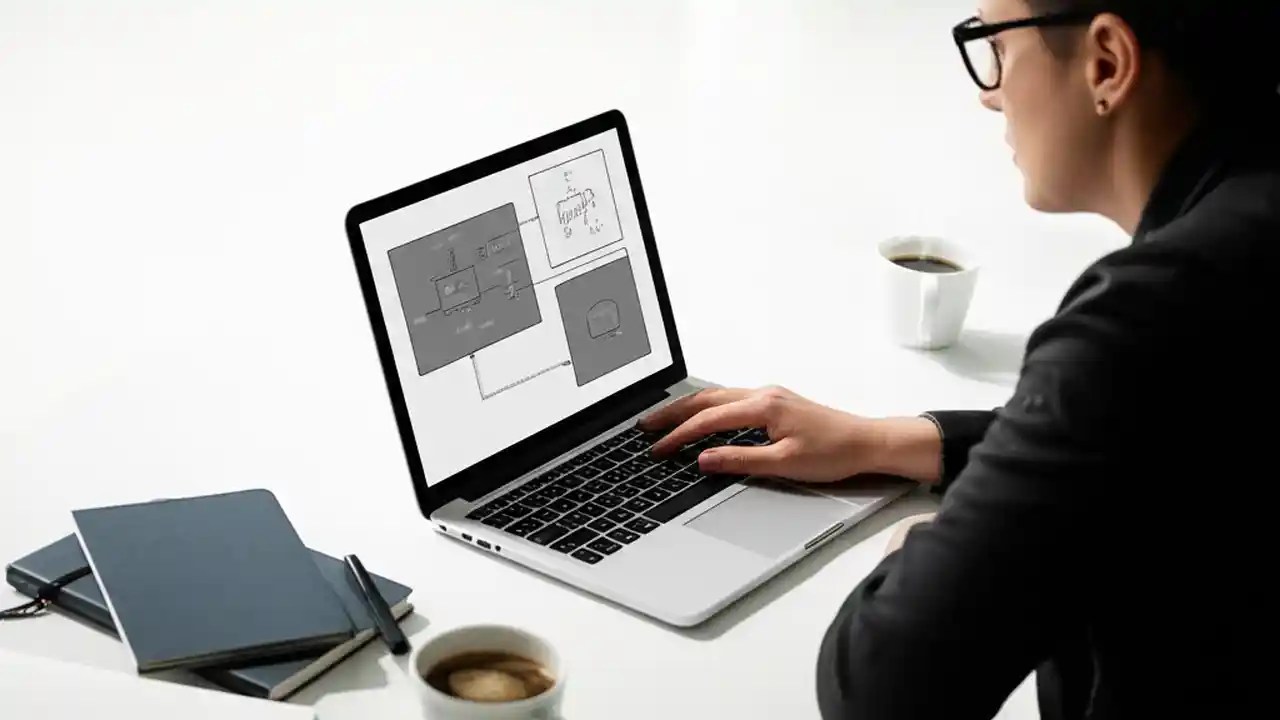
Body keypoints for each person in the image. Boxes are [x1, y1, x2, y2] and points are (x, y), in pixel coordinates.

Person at [638, 0, 1279, 717]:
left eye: (995, 47)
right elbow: (1155, 432)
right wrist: (890, 441)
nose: (987, 92)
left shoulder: (1153, 313)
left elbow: (880, 687)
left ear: (1107, 63)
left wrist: (929, 542)